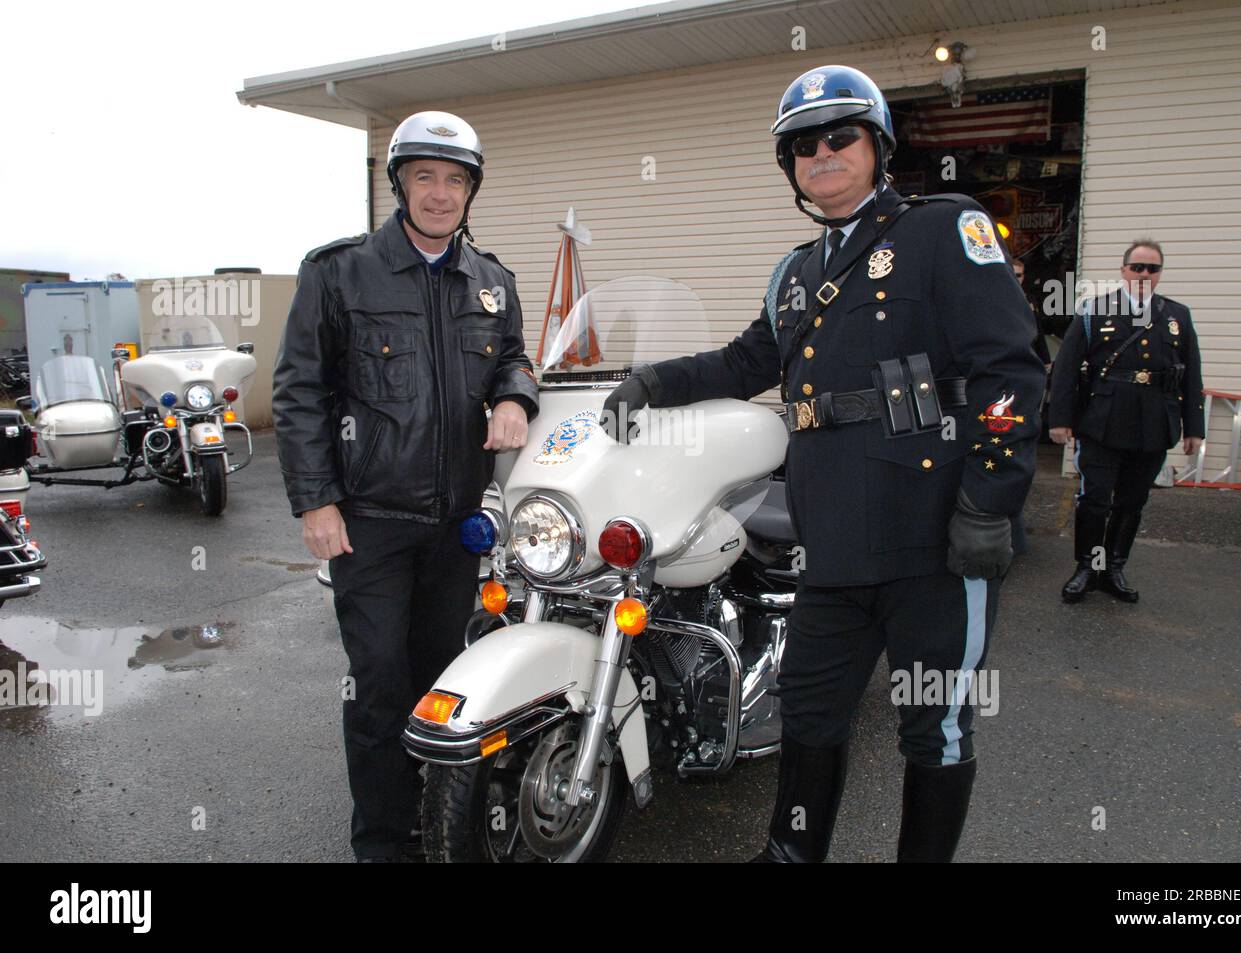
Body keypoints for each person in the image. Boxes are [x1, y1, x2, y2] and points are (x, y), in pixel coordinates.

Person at [603, 65, 1042, 862]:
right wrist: (649, 382)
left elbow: (1010, 371)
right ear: (791, 166)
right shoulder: (797, 276)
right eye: (804, 144)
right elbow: (743, 362)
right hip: (832, 546)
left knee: (933, 725)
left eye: (842, 135)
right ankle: (791, 853)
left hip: (934, 539)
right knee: (809, 712)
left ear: (878, 146)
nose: (823, 152)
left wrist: (990, 500)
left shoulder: (944, 230)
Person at [271, 111, 538, 861]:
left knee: (442, 681)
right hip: (371, 522)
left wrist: (515, 394)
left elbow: (514, 357)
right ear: (400, 184)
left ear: (471, 191)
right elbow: (297, 392)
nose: (440, 193)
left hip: (457, 524)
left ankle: (434, 813)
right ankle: (382, 840)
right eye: (425, 176)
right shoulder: (340, 272)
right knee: (379, 683)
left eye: (455, 180)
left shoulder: (490, 281)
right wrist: (316, 501)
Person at [1049, 239, 1203, 604]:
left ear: (1160, 274)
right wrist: (1059, 419)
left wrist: (1194, 426)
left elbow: (1192, 373)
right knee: (1095, 499)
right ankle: (1087, 567)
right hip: (1103, 421)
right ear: (1123, 271)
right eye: (1137, 267)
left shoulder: (1177, 315)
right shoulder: (1094, 311)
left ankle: (1114, 567)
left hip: (1153, 424)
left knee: (1132, 501)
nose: (1144, 275)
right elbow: (1067, 369)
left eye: (1152, 269)